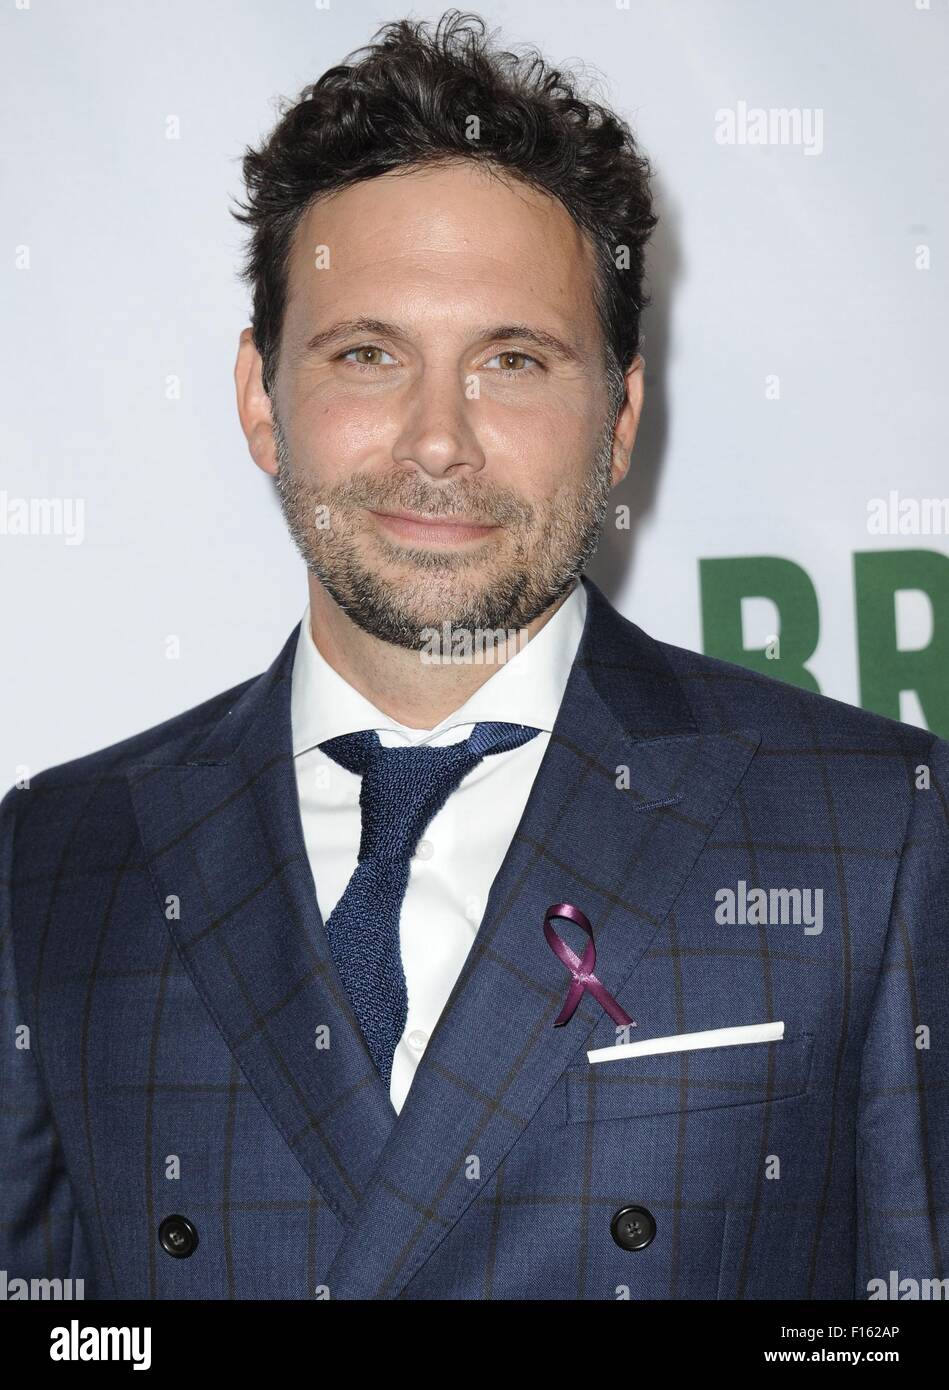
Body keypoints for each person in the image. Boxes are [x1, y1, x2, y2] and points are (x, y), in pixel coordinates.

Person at [2, 10, 946, 1302]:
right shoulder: (58, 852)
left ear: (616, 416)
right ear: (259, 398)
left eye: (512, 360)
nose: (436, 440)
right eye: (368, 354)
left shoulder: (869, 827)